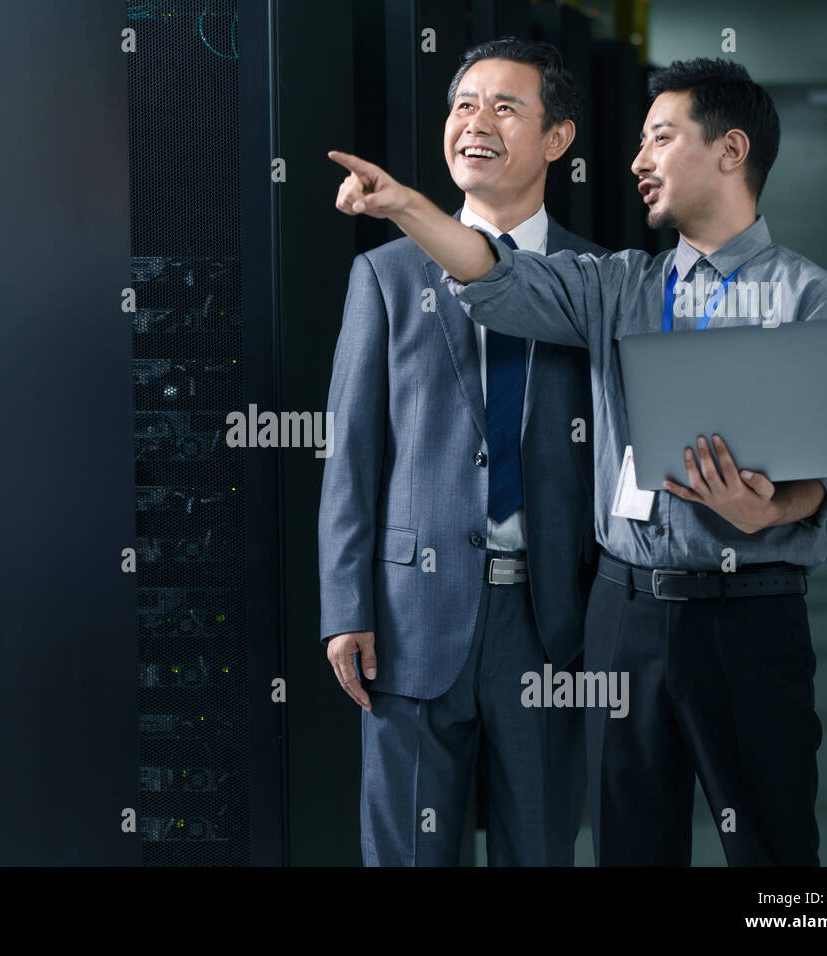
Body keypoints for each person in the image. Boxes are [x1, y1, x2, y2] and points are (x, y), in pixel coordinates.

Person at [329, 57, 827, 866]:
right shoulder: (619, 285)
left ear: (731, 150)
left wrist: (772, 510)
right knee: (629, 845)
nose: (638, 162)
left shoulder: (812, 298)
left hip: (749, 610)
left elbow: (818, 477)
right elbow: (491, 275)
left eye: (659, 138)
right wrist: (403, 203)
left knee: (773, 844)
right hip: (626, 610)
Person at [319, 38, 605, 866]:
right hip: (410, 616)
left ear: (558, 138)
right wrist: (346, 607)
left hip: (552, 619)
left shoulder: (599, 279)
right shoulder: (385, 273)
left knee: (541, 847)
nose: (474, 123)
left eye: (505, 107)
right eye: (463, 105)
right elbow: (352, 454)